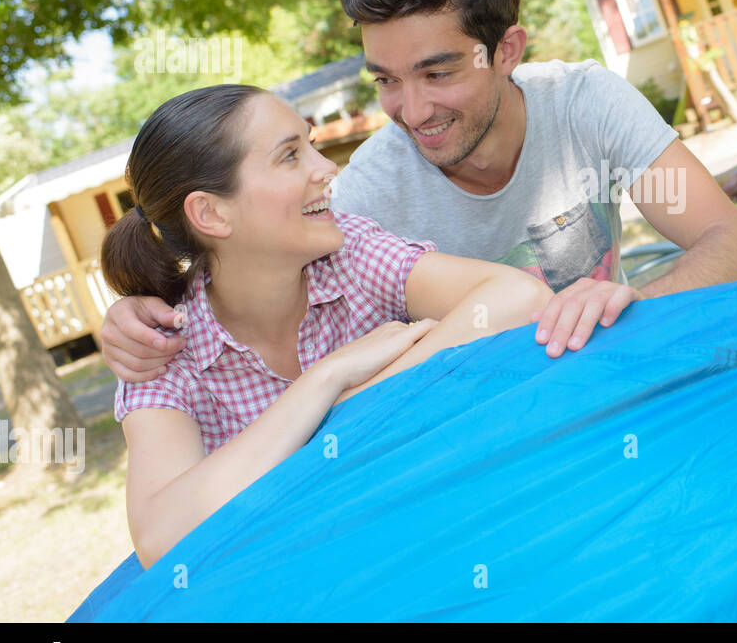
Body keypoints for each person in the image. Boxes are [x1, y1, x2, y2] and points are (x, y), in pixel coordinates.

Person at [100, 0, 737, 383]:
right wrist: (138, 315)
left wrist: (625, 302)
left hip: (615, 389)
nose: (411, 111)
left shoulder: (584, 103)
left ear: (506, 50)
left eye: (437, 73)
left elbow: (732, 241)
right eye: (386, 80)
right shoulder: (365, 197)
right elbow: (246, 278)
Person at [102, 84, 554, 569]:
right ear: (211, 213)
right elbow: (159, 538)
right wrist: (325, 379)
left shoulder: (348, 255)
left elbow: (520, 297)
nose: (326, 168)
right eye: (291, 155)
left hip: (424, 542)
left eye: (310, 144)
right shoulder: (163, 349)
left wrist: (353, 399)